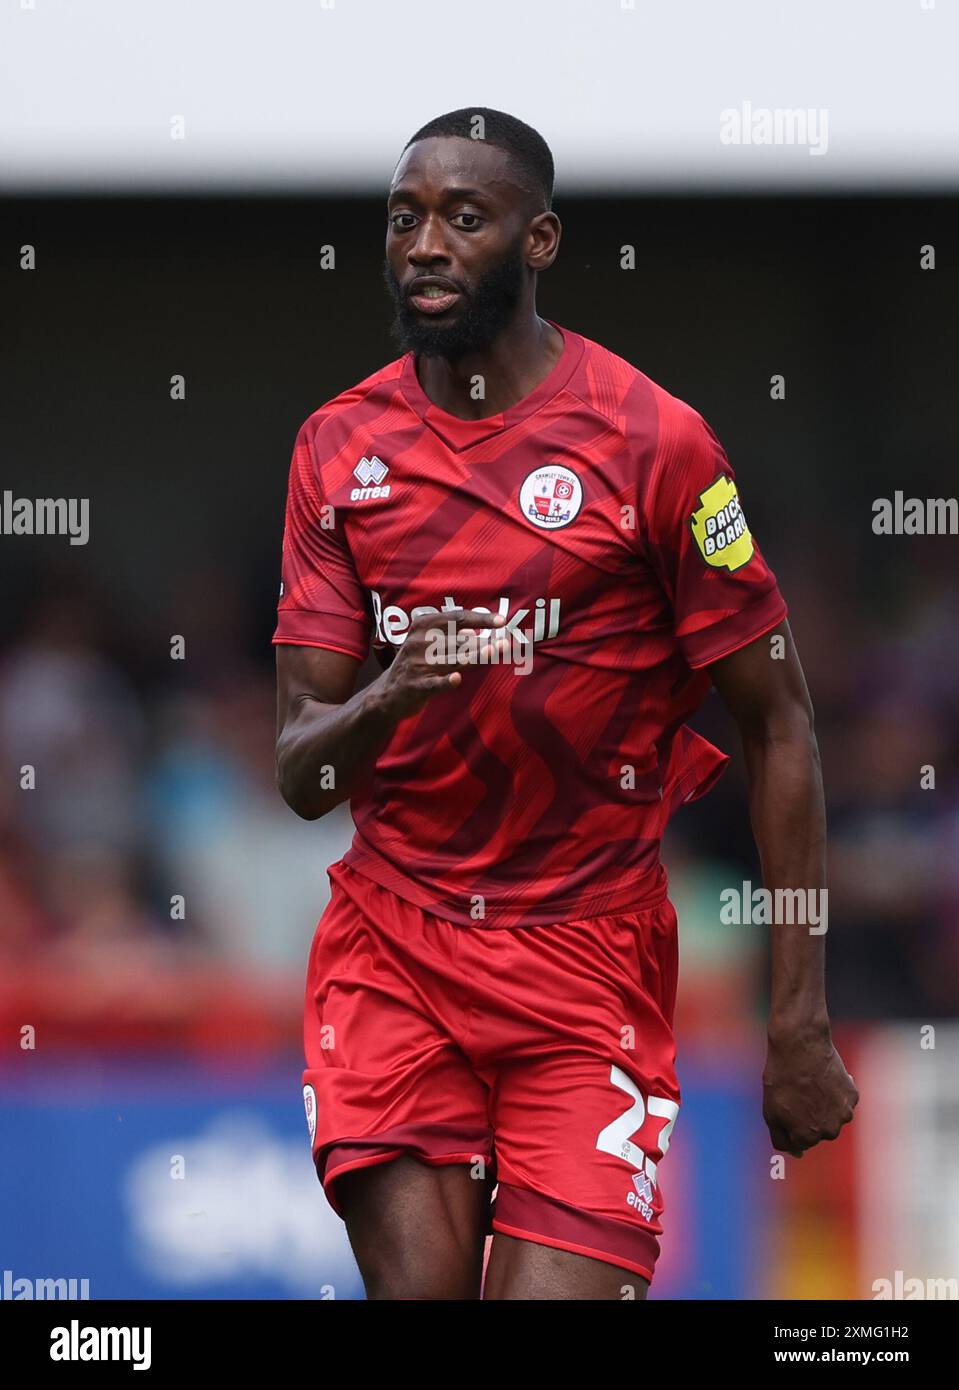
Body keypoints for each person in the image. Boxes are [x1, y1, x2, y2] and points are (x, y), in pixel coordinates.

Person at [273, 107, 857, 1300]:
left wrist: (795, 1015)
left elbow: (777, 721)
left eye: (462, 217)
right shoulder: (338, 451)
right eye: (403, 218)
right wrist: (391, 693)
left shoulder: (658, 446)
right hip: (396, 946)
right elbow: (300, 774)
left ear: (537, 241)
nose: (424, 244)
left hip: (588, 959)